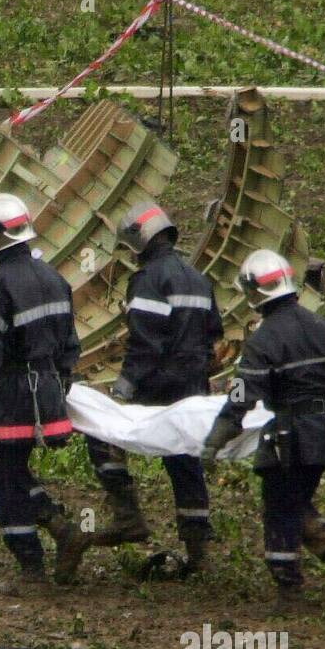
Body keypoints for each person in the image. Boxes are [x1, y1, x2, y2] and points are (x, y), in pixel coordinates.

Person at [200, 249, 325, 609]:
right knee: (295, 502)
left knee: (280, 509)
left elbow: (241, 397)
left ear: (255, 293)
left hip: (292, 437)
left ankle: (291, 589)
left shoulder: (264, 341)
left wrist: (216, 438)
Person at [85, 203, 224, 576]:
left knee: (101, 436)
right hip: (193, 385)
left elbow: (145, 345)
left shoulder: (149, 279)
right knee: (185, 459)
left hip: (158, 384)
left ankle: (127, 519)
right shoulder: (198, 277)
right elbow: (215, 332)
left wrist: (123, 390)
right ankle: (199, 552)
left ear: (136, 241)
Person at [0, 193, 89, 585]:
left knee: (4, 481)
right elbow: (70, 344)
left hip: (13, 397)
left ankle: (33, 563)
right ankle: (57, 526)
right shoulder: (55, 278)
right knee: (13, 472)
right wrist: (59, 385)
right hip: (48, 392)